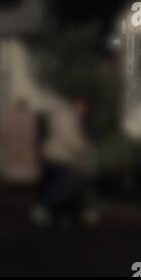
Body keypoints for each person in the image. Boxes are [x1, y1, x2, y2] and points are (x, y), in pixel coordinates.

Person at [31, 97, 97, 226]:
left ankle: (58, 213)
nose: (85, 111)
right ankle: (45, 211)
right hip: (59, 157)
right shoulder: (67, 117)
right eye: (84, 107)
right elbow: (70, 138)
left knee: (56, 185)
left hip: (57, 156)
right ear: (78, 104)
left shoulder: (68, 116)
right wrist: (86, 147)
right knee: (63, 186)